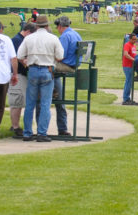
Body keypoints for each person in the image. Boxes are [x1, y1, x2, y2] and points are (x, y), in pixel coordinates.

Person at [15, 14, 64, 142]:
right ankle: (42, 133)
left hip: (32, 69)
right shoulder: (53, 38)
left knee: (30, 104)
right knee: (45, 104)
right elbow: (60, 56)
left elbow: (19, 55)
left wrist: (27, 62)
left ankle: (27, 133)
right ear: (47, 25)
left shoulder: (29, 38)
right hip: (47, 70)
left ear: (36, 25)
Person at [53, 16, 82, 136]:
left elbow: (60, 56)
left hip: (66, 65)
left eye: (57, 27)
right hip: (74, 64)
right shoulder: (76, 34)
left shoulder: (65, 36)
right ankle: (54, 90)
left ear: (60, 26)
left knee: (46, 66)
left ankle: (51, 91)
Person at [7, 22, 35, 138]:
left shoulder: (20, 39)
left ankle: (15, 125)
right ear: (28, 31)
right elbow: (18, 58)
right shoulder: (17, 40)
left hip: (21, 75)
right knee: (17, 101)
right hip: (16, 75)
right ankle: (15, 127)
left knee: (19, 101)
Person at [121, 33, 138, 105]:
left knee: (129, 82)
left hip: (131, 65)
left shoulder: (133, 46)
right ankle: (126, 98)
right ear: (130, 39)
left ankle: (127, 98)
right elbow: (125, 54)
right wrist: (133, 59)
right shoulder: (127, 45)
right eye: (133, 39)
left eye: (135, 39)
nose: (134, 40)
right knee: (128, 82)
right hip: (127, 66)